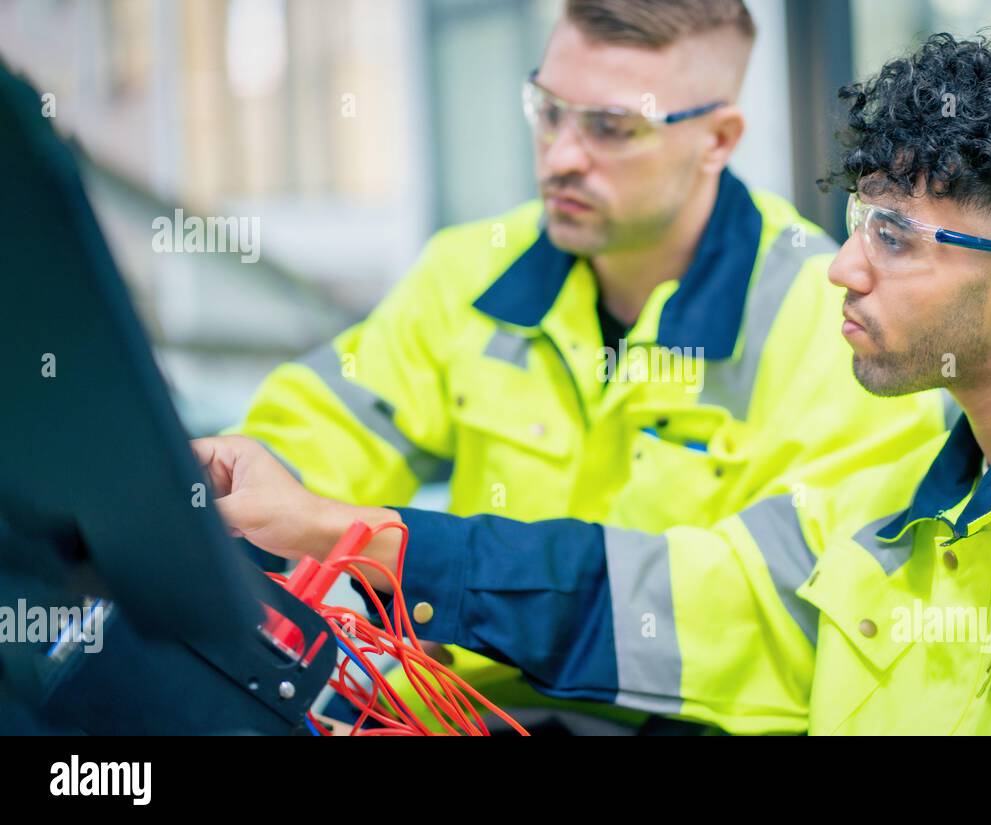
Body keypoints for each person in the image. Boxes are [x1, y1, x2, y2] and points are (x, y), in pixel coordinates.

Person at [202, 31, 991, 734]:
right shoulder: (895, 501)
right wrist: (357, 530)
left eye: (893, 237)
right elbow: (653, 594)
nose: (843, 264)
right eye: (858, 219)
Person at [228, 0, 944, 732]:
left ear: (717, 138)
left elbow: (790, 618)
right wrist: (227, 487)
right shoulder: (470, 271)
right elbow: (320, 432)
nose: (561, 155)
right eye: (548, 110)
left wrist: (423, 555)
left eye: (611, 127)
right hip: (465, 711)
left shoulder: (838, 326)